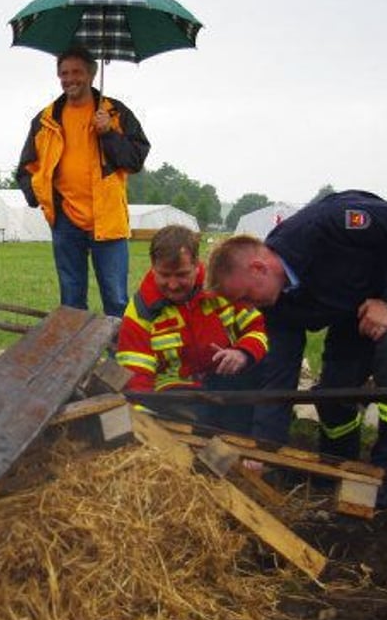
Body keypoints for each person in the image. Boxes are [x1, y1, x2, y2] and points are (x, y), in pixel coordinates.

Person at [208, 190, 387, 504]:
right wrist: (264, 449)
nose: (248, 307)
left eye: (245, 296)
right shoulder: (275, 305)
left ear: (259, 268)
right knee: (336, 384)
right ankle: (336, 466)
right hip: (360, 294)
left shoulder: (324, 226)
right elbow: (278, 379)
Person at [17, 46, 150, 318]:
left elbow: (136, 159)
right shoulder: (45, 119)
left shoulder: (115, 113)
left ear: (91, 74)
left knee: (115, 298)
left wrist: (109, 133)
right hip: (65, 221)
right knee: (71, 299)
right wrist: (42, 200)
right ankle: (74, 358)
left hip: (108, 220)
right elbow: (25, 168)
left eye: (77, 72)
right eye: (64, 73)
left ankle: (119, 358)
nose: (70, 79)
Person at [116, 225, 267, 433]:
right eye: (165, 275)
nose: (173, 284)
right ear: (152, 267)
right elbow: (135, 377)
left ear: (197, 265)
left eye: (181, 274)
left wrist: (242, 353)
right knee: (204, 422)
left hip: (226, 380)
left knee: (249, 400)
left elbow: (258, 328)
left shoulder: (223, 287)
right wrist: (145, 425)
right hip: (175, 394)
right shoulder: (141, 311)